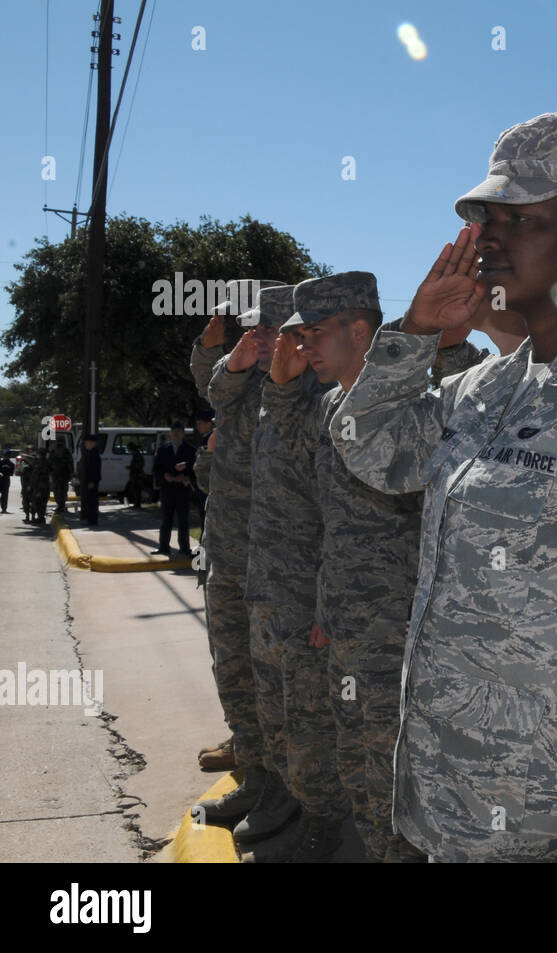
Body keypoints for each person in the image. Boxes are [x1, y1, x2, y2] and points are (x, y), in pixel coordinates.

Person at [331, 110, 557, 861]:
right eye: (485, 219)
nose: (489, 238)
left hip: (551, 818)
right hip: (450, 795)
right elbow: (371, 451)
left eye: (520, 218)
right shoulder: (486, 388)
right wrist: (413, 336)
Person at [264, 272, 488, 863]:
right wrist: (325, 608)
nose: (304, 346)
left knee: (400, 773)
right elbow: (325, 517)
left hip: (404, 631)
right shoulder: (331, 406)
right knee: (360, 763)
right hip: (347, 626)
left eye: (314, 333)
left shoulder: (420, 406)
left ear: (359, 330)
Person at [234, 283, 345, 862]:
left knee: (310, 723)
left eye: (281, 333)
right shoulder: (275, 397)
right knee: (277, 715)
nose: (269, 343)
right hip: (267, 584)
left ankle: (327, 820)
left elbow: (344, 516)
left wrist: (328, 602)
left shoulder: (330, 401)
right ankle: (288, 801)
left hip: (306, 592)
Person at [188, 281, 286, 817]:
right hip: (226, 550)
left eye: (269, 328)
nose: (257, 338)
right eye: (253, 329)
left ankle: (277, 782)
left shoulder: (305, 393)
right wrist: (212, 347)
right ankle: (249, 755)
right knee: (231, 661)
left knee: (272, 675)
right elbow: (210, 380)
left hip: (272, 560)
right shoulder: (239, 385)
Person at [151, 422, 197, 556]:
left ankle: (184, 548)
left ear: (183, 434)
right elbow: (156, 469)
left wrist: (185, 476)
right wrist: (165, 476)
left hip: (183, 489)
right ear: (170, 434)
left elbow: (195, 468)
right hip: (167, 489)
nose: (176, 435)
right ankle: (163, 546)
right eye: (174, 432)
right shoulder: (163, 449)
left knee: (183, 519)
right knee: (166, 519)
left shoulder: (190, 450)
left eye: (179, 432)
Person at [194, 409, 215, 527]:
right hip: (203, 485)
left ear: (209, 424)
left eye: (200, 423)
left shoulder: (212, 439)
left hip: (209, 484)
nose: (198, 426)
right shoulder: (204, 438)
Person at [78, 435, 101, 526]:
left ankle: (92, 520)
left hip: (91, 481)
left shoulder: (94, 454)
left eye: (88, 443)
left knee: (92, 501)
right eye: (86, 443)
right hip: (87, 481)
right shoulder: (89, 453)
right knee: (88, 500)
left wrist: (92, 481)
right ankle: (90, 519)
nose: (86, 444)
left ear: (93, 444)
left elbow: (95, 470)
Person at [49, 443, 74, 513]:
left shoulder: (56, 452)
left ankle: (61, 506)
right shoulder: (65, 452)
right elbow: (70, 463)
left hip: (61, 475)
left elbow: (50, 463)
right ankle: (61, 506)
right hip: (60, 475)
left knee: (59, 491)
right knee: (61, 491)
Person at [125, 444, 145, 509]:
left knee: (137, 490)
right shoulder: (136, 454)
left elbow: (139, 465)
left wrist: (131, 467)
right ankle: (137, 504)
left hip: (137, 475)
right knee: (136, 490)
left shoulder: (137, 455)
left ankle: (137, 504)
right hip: (136, 474)